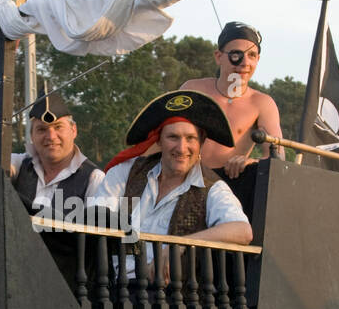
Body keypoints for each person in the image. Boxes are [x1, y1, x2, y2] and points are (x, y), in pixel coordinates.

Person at [95, 90, 252, 248]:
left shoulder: (212, 188)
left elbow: (242, 231)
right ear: (159, 141)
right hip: (114, 272)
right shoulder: (126, 172)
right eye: (173, 137)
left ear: (201, 142)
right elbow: (95, 216)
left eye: (190, 138)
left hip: (170, 273)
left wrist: (180, 247)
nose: (182, 148)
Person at [178, 21, 283, 208]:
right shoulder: (192, 89)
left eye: (252, 55)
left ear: (258, 60)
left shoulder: (262, 104)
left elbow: (277, 158)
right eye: (236, 54)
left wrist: (251, 162)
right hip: (181, 177)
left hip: (226, 187)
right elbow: (160, 135)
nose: (244, 62)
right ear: (219, 57)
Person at [9, 93, 104, 215]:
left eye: (58, 127)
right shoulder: (18, 165)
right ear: (32, 135)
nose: (51, 137)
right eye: (42, 129)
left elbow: (95, 229)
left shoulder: (94, 178)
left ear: (73, 130)